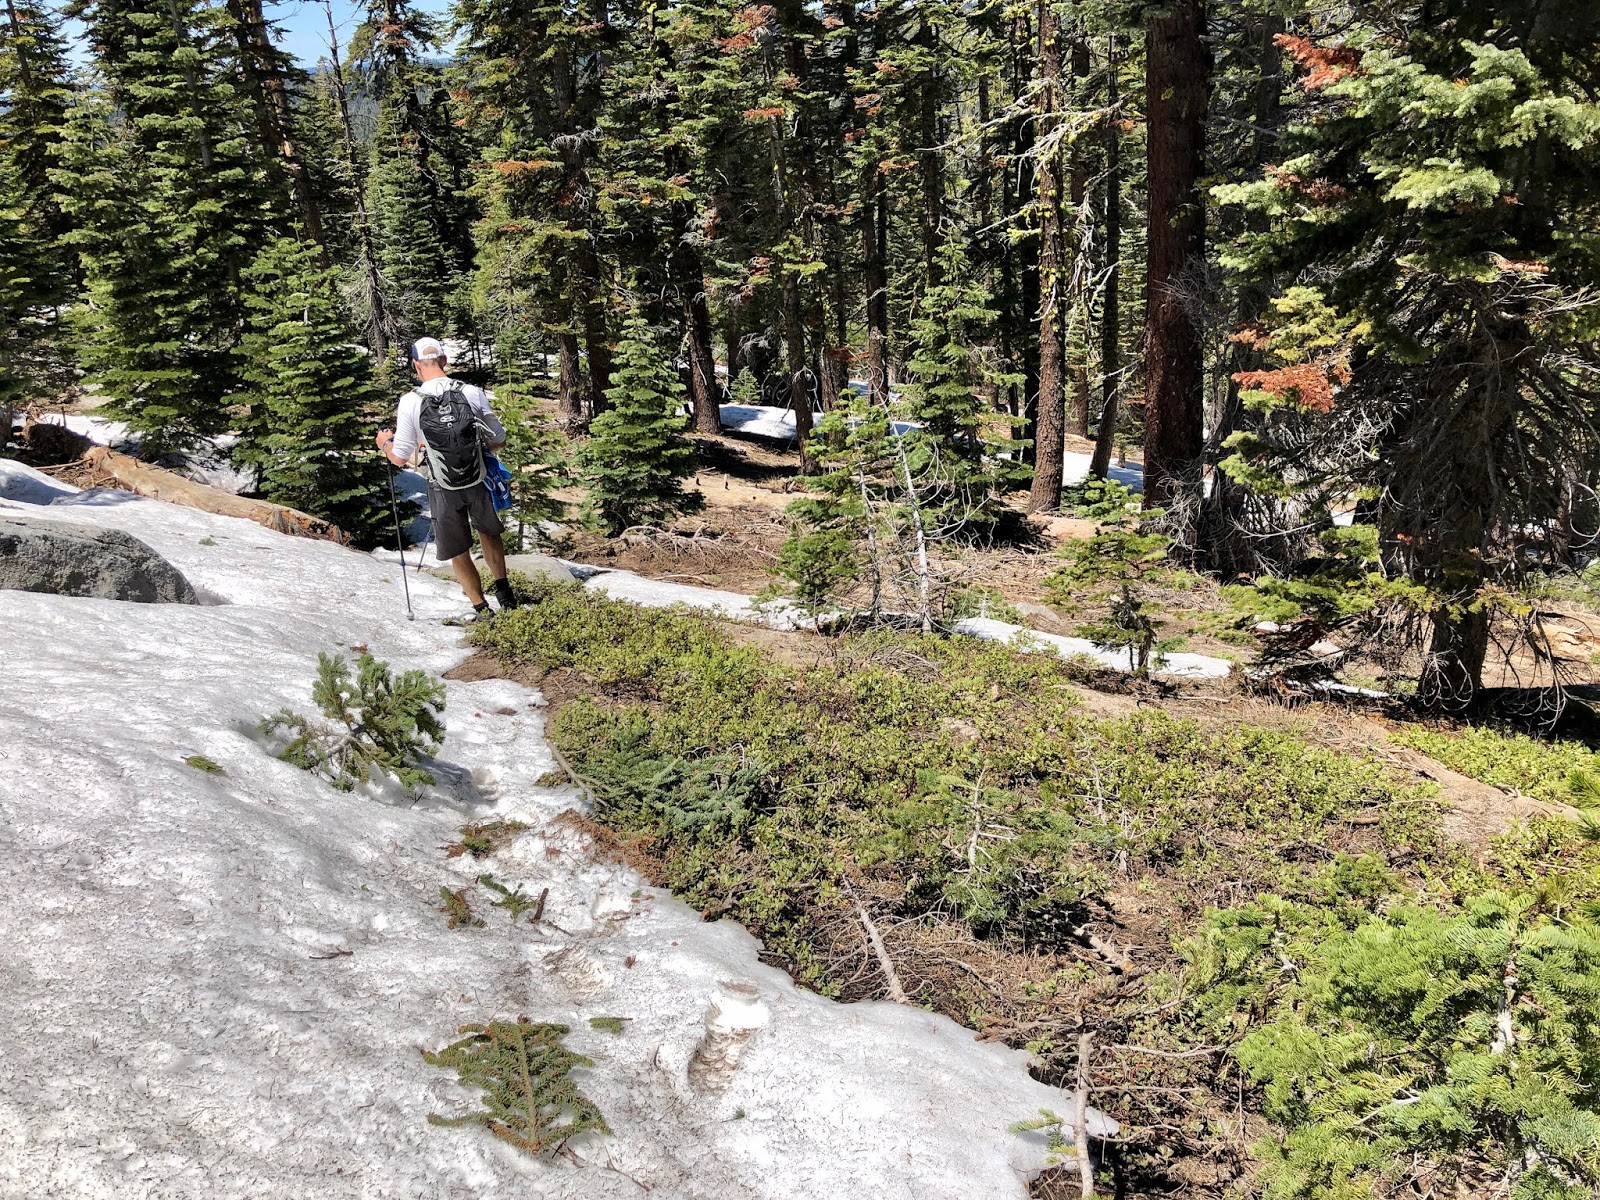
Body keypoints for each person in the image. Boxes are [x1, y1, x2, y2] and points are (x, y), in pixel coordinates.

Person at [376, 337, 519, 621]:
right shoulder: (471, 392)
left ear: (416, 365)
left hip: (442, 485)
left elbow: (400, 457)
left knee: (458, 548)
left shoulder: (410, 402)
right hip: (477, 478)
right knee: (488, 532)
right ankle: (505, 595)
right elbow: (499, 439)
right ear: (444, 361)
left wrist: (384, 443)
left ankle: (482, 609)